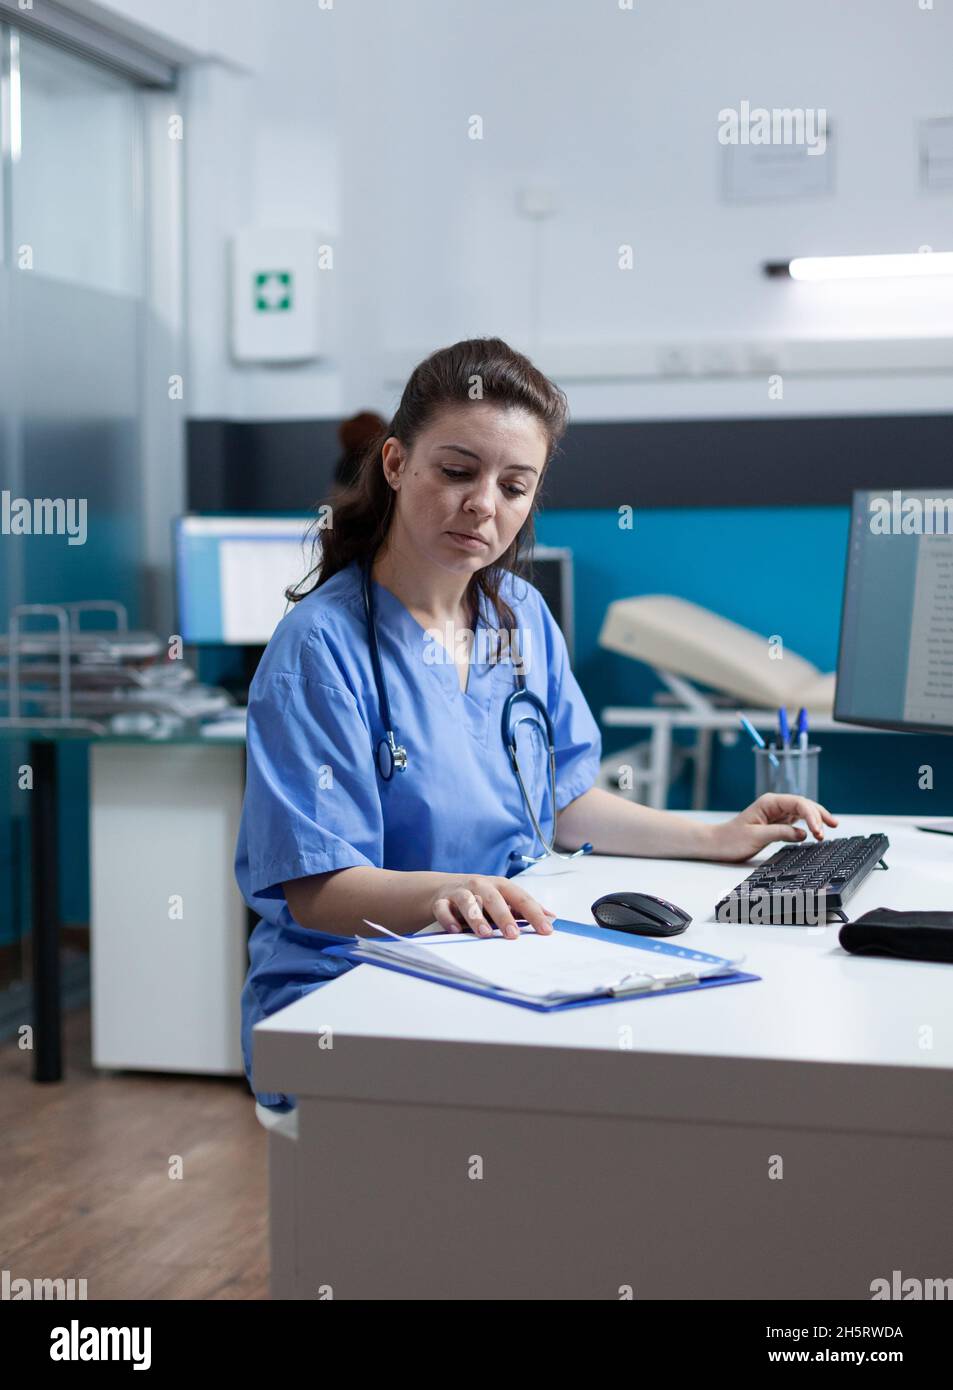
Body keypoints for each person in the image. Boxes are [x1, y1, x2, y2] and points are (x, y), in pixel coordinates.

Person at [235, 336, 837, 1112]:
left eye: (514, 486)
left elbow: (562, 799)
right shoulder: (319, 649)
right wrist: (449, 895)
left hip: (499, 959)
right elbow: (320, 890)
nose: (484, 504)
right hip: (350, 988)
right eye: (457, 471)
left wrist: (715, 836)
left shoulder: (517, 616)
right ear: (394, 464)